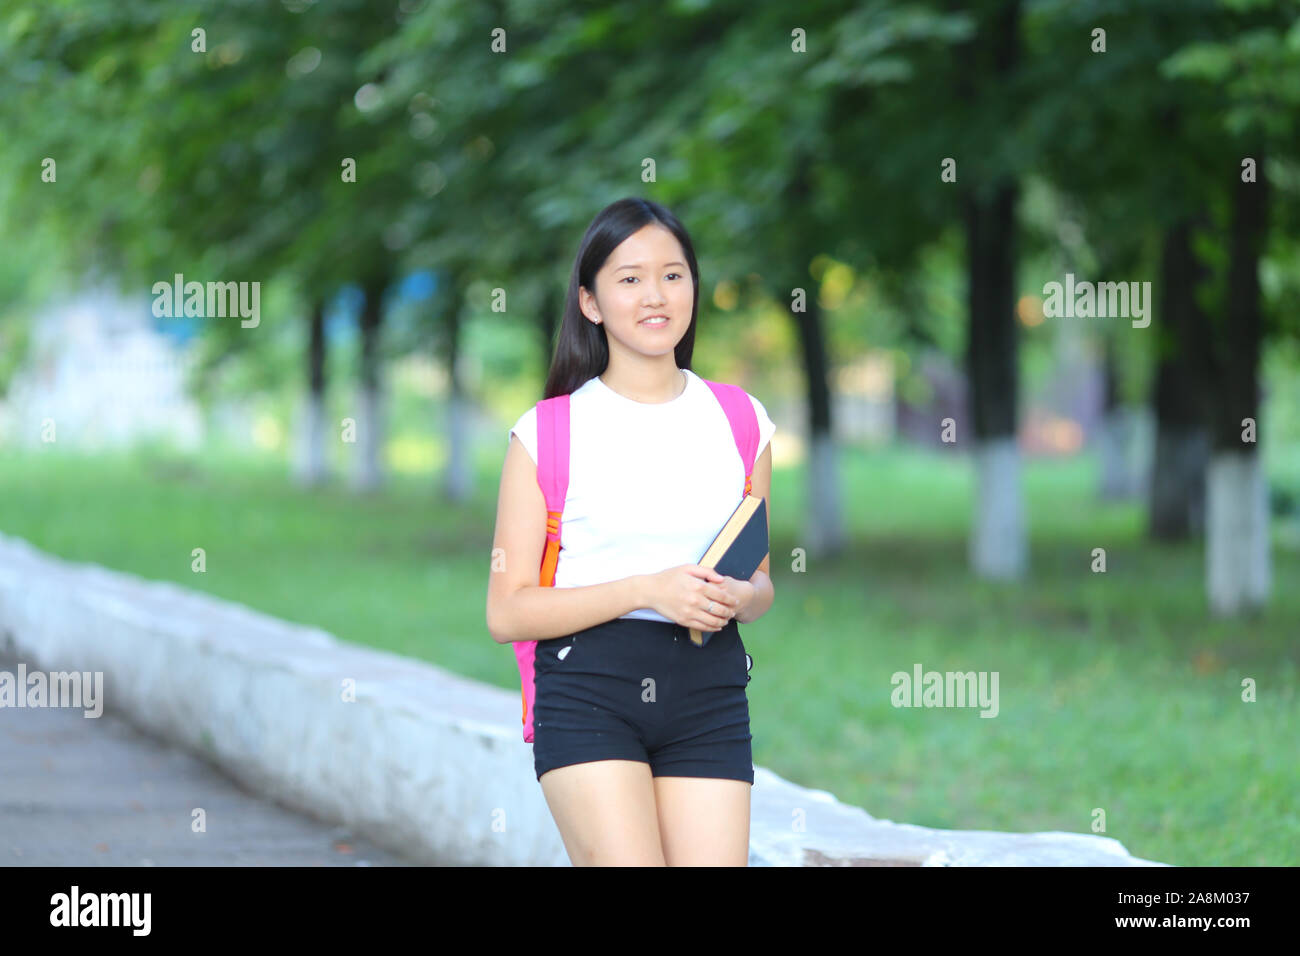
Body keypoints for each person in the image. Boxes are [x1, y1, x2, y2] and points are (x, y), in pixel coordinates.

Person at [486, 197, 776, 866]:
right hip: (588, 689)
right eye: (629, 278)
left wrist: (740, 598)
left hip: (710, 691)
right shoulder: (547, 432)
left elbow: (760, 586)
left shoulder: (742, 422)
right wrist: (648, 589)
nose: (656, 295)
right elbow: (507, 610)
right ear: (591, 301)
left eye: (673, 275)